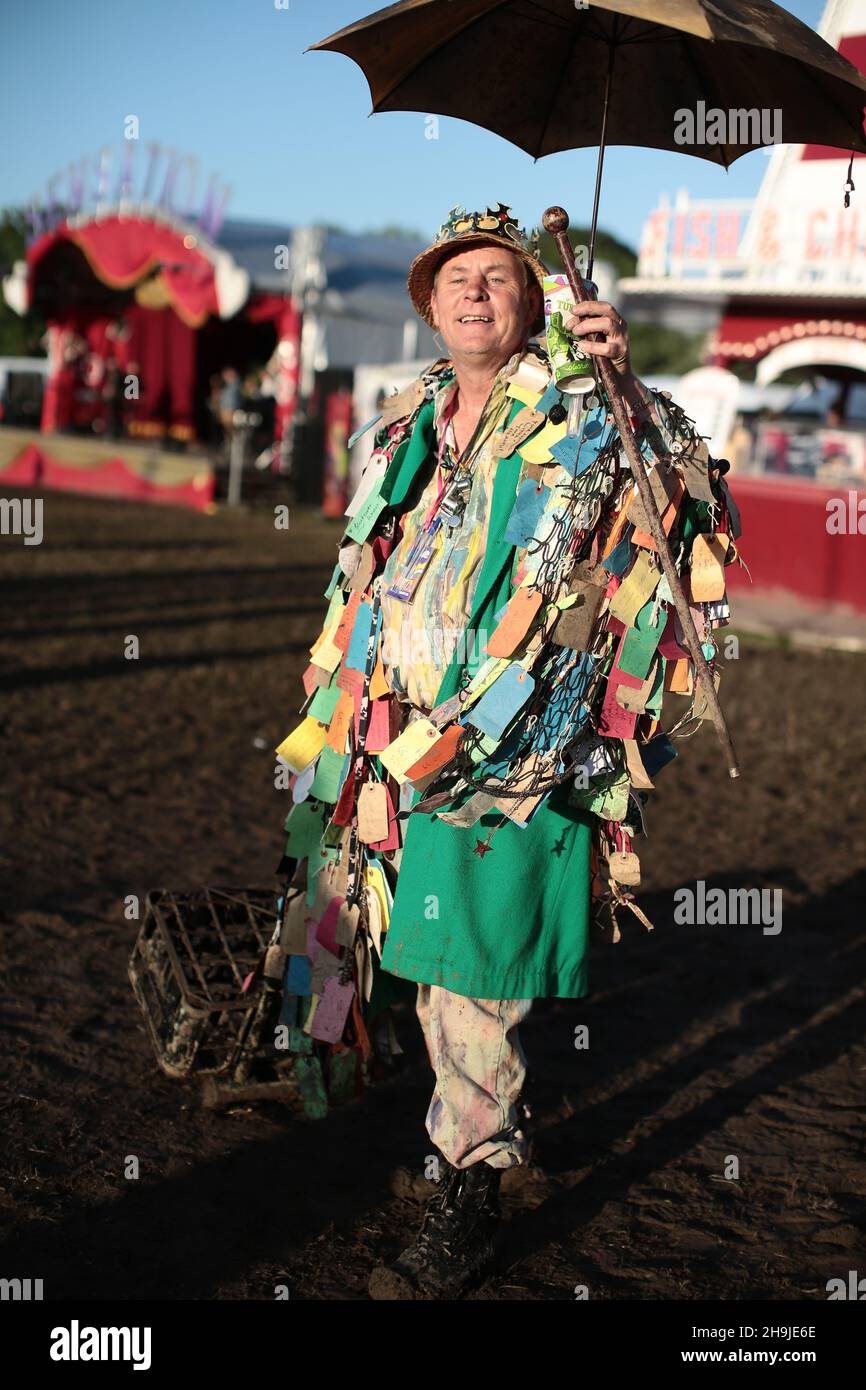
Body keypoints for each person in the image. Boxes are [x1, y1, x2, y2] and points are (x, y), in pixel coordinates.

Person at [274, 204, 740, 1300]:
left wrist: (626, 386)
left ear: (533, 302)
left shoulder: (582, 405)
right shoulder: (408, 424)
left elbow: (682, 503)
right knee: (424, 963)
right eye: (454, 277)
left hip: (515, 748)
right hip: (393, 735)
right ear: (427, 302)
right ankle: (478, 1142)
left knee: (472, 972)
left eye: (498, 276)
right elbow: (367, 569)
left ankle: (468, 1187)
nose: (474, 292)